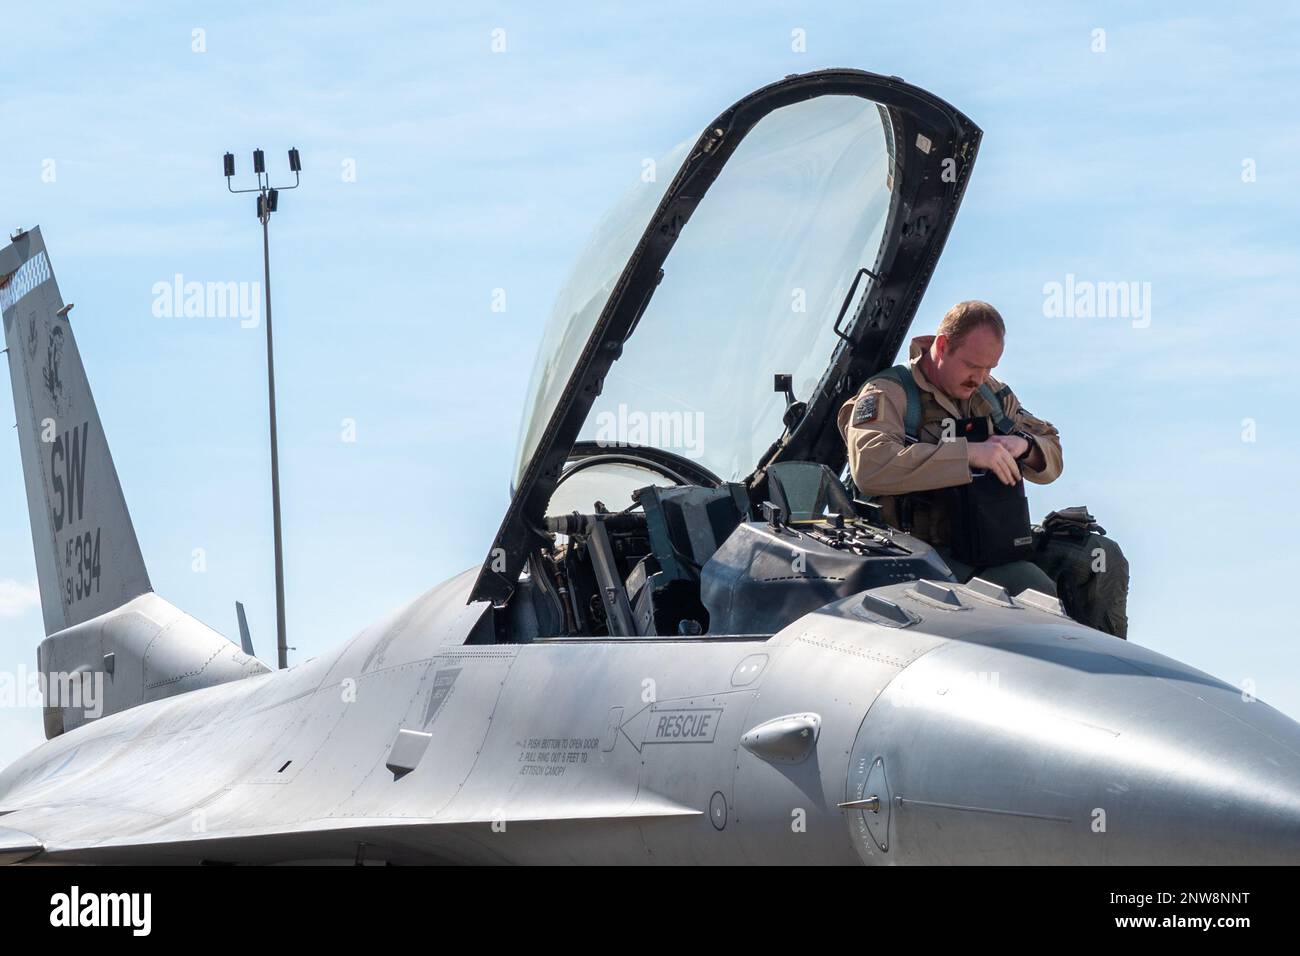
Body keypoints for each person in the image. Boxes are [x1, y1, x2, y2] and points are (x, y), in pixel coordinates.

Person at [837, 300, 1128, 637]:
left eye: (990, 367)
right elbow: (871, 467)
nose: (980, 377)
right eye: (973, 366)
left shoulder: (990, 395)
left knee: (1098, 557)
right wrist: (968, 455)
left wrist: (1025, 446)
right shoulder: (890, 394)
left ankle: (1108, 664)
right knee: (1028, 585)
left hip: (991, 541)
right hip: (920, 554)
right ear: (942, 346)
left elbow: (1051, 452)